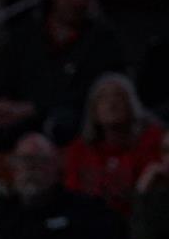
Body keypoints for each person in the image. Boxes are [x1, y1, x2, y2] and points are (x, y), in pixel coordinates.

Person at [0, 0, 124, 152]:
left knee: (64, 122)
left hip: (58, 122)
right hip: (13, 121)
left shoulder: (104, 42)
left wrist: (33, 108)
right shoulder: (24, 35)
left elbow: (94, 95)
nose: (78, 1)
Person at [64, 74, 165, 216]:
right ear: (93, 110)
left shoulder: (156, 140)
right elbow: (71, 194)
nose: (111, 103)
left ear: (132, 104)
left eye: (119, 96)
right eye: (103, 98)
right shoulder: (79, 150)